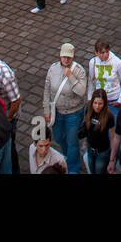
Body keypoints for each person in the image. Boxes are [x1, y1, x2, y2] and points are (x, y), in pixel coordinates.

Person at [43, 42, 88, 174]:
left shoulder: (79, 71)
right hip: (56, 111)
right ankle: (67, 155)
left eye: (69, 57)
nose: (66, 59)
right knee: (58, 137)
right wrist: (46, 109)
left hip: (73, 113)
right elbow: (47, 88)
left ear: (73, 57)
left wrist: (71, 77)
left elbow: (81, 91)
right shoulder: (53, 68)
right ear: (60, 56)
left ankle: (73, 168)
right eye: (64, 57)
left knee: (72, 141)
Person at [87, 40, 121, 119]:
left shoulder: (117, 62)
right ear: (96, 53)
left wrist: (120, 99)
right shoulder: (92, 62)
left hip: (113, 100)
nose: (106, 55)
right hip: (99, 100)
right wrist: (90, 98)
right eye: (102, 53)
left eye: (107, 51)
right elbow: (91, 81)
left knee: (112, 126)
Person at [79, 89, 115, 174]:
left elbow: (113, 136)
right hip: (90, 148)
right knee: (91, 170)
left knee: (99, 171)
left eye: (100, 104)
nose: (97, 106)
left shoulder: (109, 116)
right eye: (95, 103)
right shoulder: (88, 109)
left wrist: (112, 158)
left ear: (105, 103)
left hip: (102, 151)